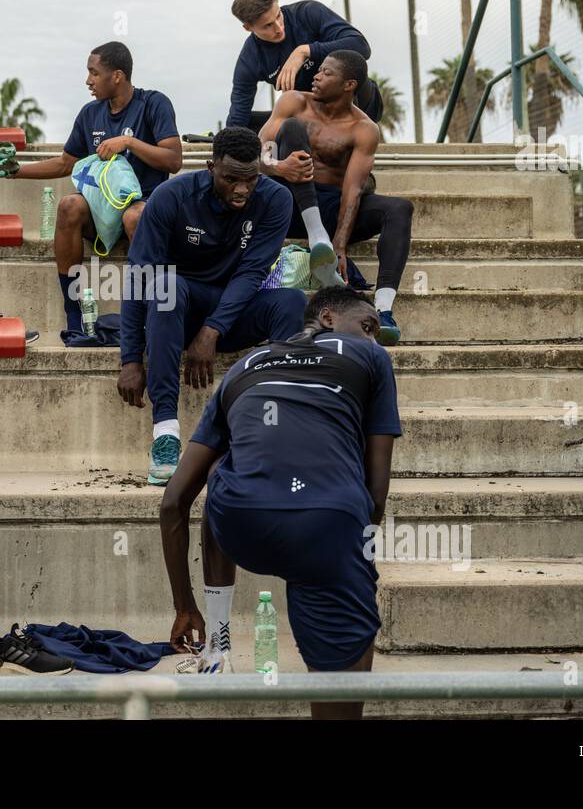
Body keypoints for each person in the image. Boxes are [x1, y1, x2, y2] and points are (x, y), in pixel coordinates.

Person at [159, 287, 401, 718]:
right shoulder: (372, 358)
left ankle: (217, 638)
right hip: (330, 522)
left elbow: (173, 502)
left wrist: (184, 606)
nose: (374, 338)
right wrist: (354, 562)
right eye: (368, 326)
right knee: (341, 692)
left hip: (241, 521)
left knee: (220, 472)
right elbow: (376, 490)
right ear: (326, 318)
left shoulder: (242, 367)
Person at [117, 126, 305, 484]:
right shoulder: (171, 197)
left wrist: (213, 330)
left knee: (293, 302)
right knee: (165, 285)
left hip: (232, 313)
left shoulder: (276, 199)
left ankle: (277, 429)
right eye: (231, 178)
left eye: (250, 180)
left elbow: (251, 274)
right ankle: (166, 435)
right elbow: (139, 276)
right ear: (210, 167)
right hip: (175, 313)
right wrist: (130, 358)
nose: (241, 189)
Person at [0, 42, 182, 333]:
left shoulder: (154, 103)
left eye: (94, 73)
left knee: (135, 216)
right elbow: (65, 164)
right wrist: (15, 171)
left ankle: (144, 314)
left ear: (118, 76)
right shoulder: (90, 114)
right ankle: (74, 314)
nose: (88, 81)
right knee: (69, 205)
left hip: (142, 207)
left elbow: (173, 161)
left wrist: (129, 142)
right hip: (101, 213)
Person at [260, 49, 412, 345]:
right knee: (292, 128)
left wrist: (340, 245)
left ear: (349, 85)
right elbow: (257, 156)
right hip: (286, 208)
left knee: (400, 208)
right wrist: (280, 166)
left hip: (331, 210)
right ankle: (318, 238)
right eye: (319, 70)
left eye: (327, 73)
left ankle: (383, 309)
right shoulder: (294, 102)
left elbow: (353, 190)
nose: (316, 75)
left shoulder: (364, 128)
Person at [227, 0, 383, 132]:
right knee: (245, 125)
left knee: (346, 68)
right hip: (312, 116)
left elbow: (361, 47)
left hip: (361, 106)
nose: (279, 28)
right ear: (248, 28)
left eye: (279, 16)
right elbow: (239, 113)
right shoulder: (250, 59)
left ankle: (346, 135)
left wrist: (305, 51)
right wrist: (228, 140)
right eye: (267, 26)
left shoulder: (308, 12)